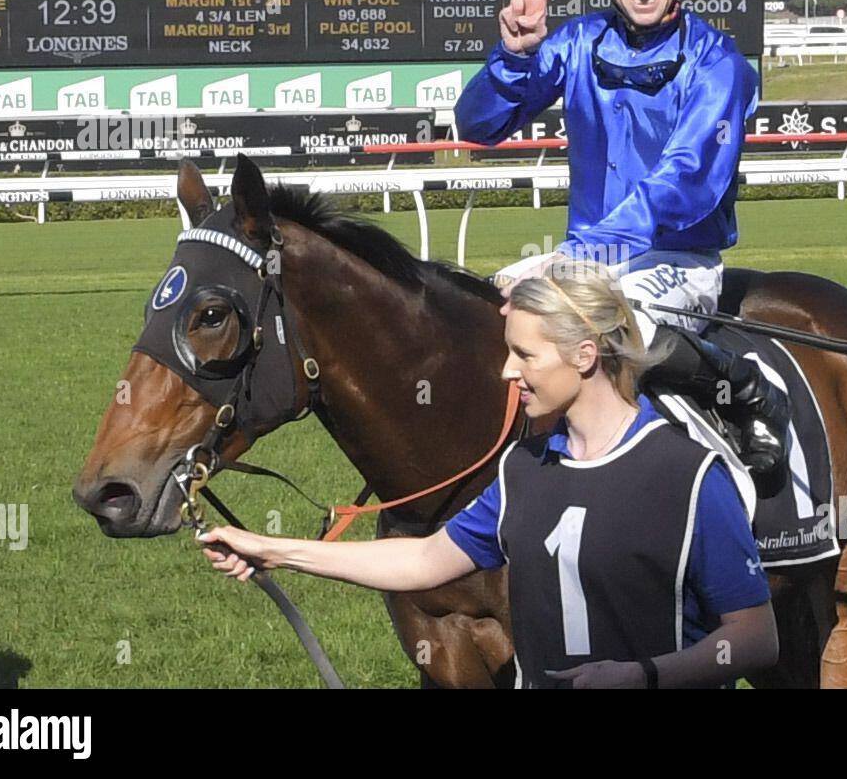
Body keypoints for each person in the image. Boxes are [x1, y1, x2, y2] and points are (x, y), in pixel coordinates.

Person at [200, 260, 778, 689]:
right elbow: (423, 560)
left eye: (525, 355)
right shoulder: (523, 469)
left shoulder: (690, 475)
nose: (507, 371)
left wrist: (644, 676)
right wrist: (269, 550)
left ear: (584, 356)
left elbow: (754, 639)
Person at [453, 0, 792, 498]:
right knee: (481, 314)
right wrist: (516, 58)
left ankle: (744, 390)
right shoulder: (579, 43)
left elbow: (685, 184)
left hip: (677, 260)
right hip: (582, 263)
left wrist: (583, 253)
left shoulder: (719, 65)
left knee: (613, 322)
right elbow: (479, 127)